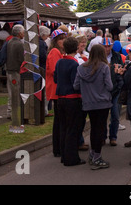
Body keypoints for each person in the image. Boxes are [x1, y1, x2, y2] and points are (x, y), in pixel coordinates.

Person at [74, 44, 113, 170]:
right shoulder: (104, 68)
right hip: (102, 102)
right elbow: (110, 86)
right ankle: (97, 157)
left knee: (93, 129)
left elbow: (76, 86)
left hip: (88, 102)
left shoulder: (81, 68)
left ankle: (93, 154)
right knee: (99, 130)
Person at [54, 36, 85, 166]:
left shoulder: (60, 62)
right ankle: (71, 158)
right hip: (72, 99)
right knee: (73, 129)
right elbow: (75, 84)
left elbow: (56, 79)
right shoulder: (74, 64)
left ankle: (64, 155)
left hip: (60, 98)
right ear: (76, 47)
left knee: (63, 128)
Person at [46, 29, 67, 157]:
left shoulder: (59, 52)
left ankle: (59, 147)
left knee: (60, 119)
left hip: (58, 88)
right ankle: (58, 148)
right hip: (56, 89)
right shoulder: (54, 52)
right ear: (55, 41)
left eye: (64, 38)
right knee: (59, 120)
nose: (63, 41)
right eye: (60, 39)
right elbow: (55, 70)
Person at [102, 36, 124, 146]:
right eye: (105, 46)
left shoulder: (117, 56)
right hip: (103, 90)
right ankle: (102, 136)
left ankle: (113, 136)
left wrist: (120, 84)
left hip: (115, 89)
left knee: (115, 114)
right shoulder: (99, 57)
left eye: (108, 46)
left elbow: (121, 70)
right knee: (102, 116)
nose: (107, 48)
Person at [5, 25, 25, 121]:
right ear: (20, 33)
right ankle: (14, 112)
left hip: (9, 69)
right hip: (16, 71)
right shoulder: (19, 44)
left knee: (11, 92)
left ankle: (10, 111)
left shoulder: (9, 42)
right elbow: (21, 59)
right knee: (16, 92)